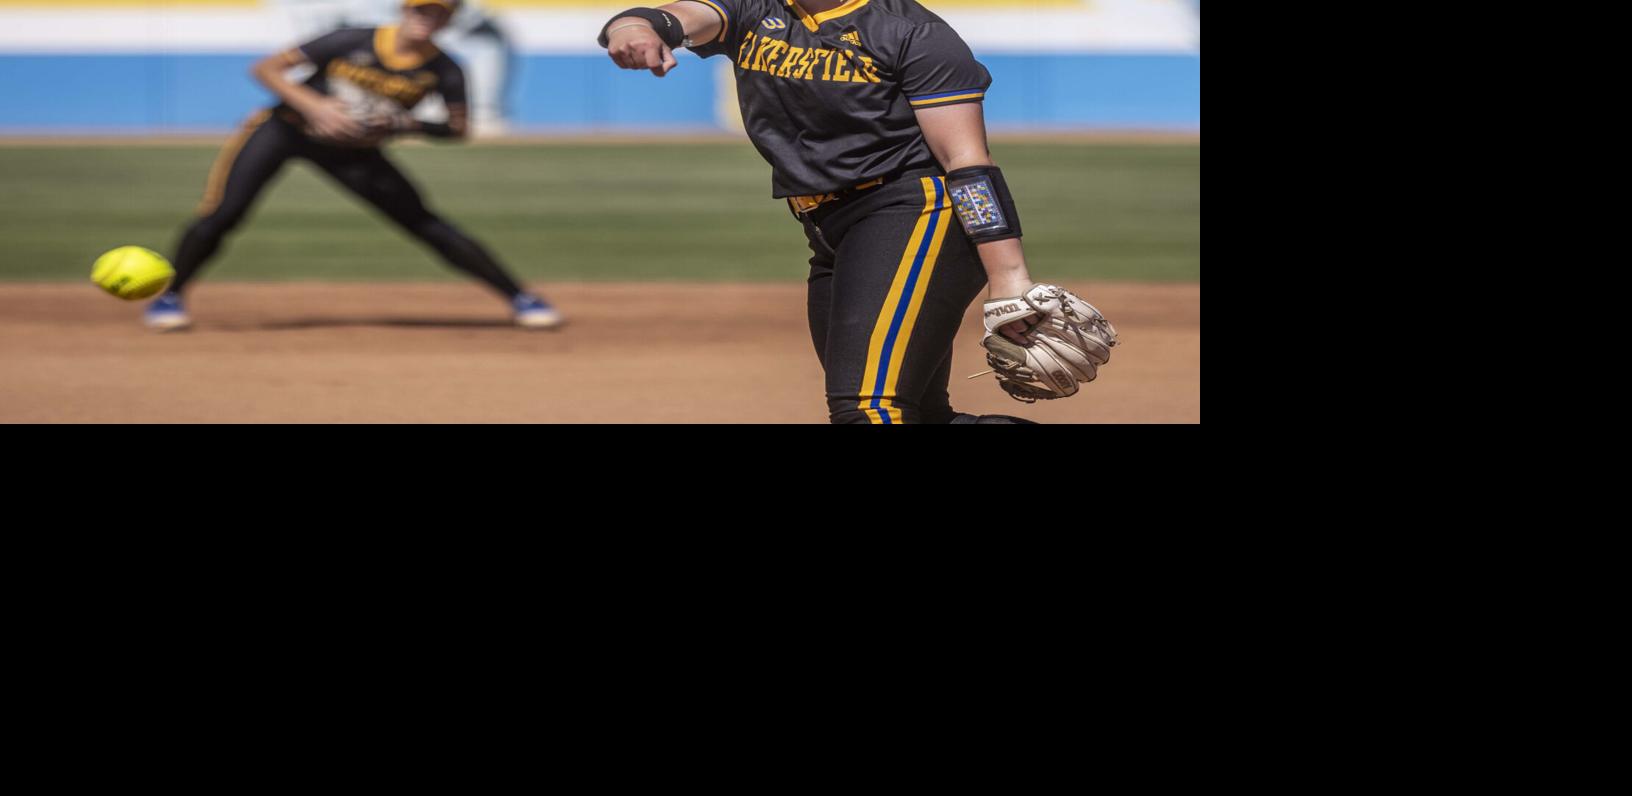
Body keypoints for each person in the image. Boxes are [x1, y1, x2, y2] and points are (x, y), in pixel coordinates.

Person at [599, 0, 1114, 423]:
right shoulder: (756, 10)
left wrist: (1008, 279)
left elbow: (967, 164)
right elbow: (675, 17)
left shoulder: (911, 32)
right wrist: (634, 27)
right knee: (915, 413)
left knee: (868, 408)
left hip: (914, 215)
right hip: (830, 229)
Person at [146, 0, 561, 331]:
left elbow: (458, 128)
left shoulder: (444, 69)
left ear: (449, 20)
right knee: (223, 213)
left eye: (439, 12)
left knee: (423, 222)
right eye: (422, 9)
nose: (427, 18)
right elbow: (266, 68)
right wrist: (316, 106)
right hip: (283, 130)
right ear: (405, 10)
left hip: (354, 151)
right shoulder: (350, 40)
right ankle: (171, 296)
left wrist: (403, 124)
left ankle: (520, 297)